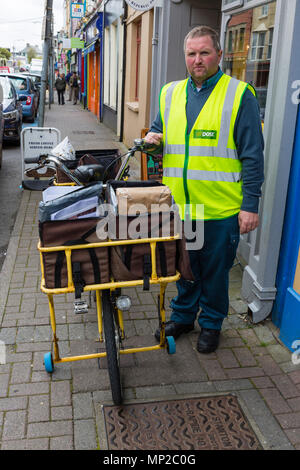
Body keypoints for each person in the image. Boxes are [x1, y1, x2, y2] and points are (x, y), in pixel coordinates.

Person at [145, 26, 264, 354]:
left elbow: (253, 155)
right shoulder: (170, 93)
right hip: (181, 206)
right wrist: (153, 143)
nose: (197, 60)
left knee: (214, 273)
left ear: (219, 55)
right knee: (185, 267)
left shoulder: (240, 95)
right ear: (185, 57)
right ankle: (183, 317)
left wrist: (250, 205)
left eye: (204, 53)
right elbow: (160, 136)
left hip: (220, 208)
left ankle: (211, 323)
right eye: (191, 54)